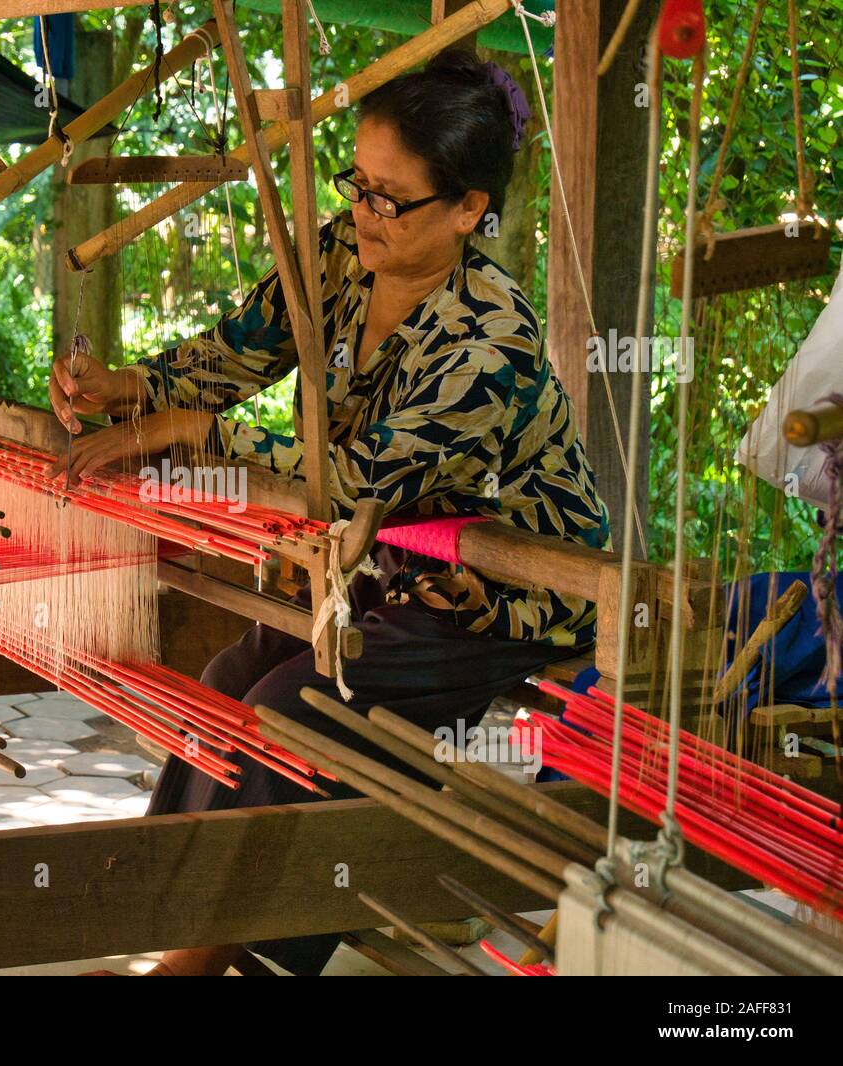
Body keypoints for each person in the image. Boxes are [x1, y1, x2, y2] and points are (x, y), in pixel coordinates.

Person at [47, 50, 610, 976]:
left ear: (469, 208)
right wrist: (132, 387)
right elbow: (244, 348)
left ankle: (209, 958)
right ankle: (174, 909)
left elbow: (356, 479)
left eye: (393, 199)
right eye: (359, 183)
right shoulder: (345, 255)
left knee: (294, 709)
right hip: (400, 574)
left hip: (508, 599)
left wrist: (195, 437)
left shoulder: (490, 340)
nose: (363, 212)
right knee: (231, 676)